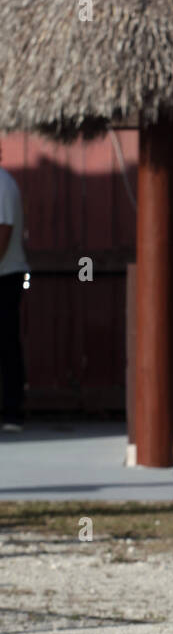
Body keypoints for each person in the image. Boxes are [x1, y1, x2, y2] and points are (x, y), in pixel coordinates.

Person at [0, 147, 28, 431]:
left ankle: (12, 412)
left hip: (6, 276)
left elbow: (3, 233)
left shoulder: (2, 184)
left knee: (6, 343)